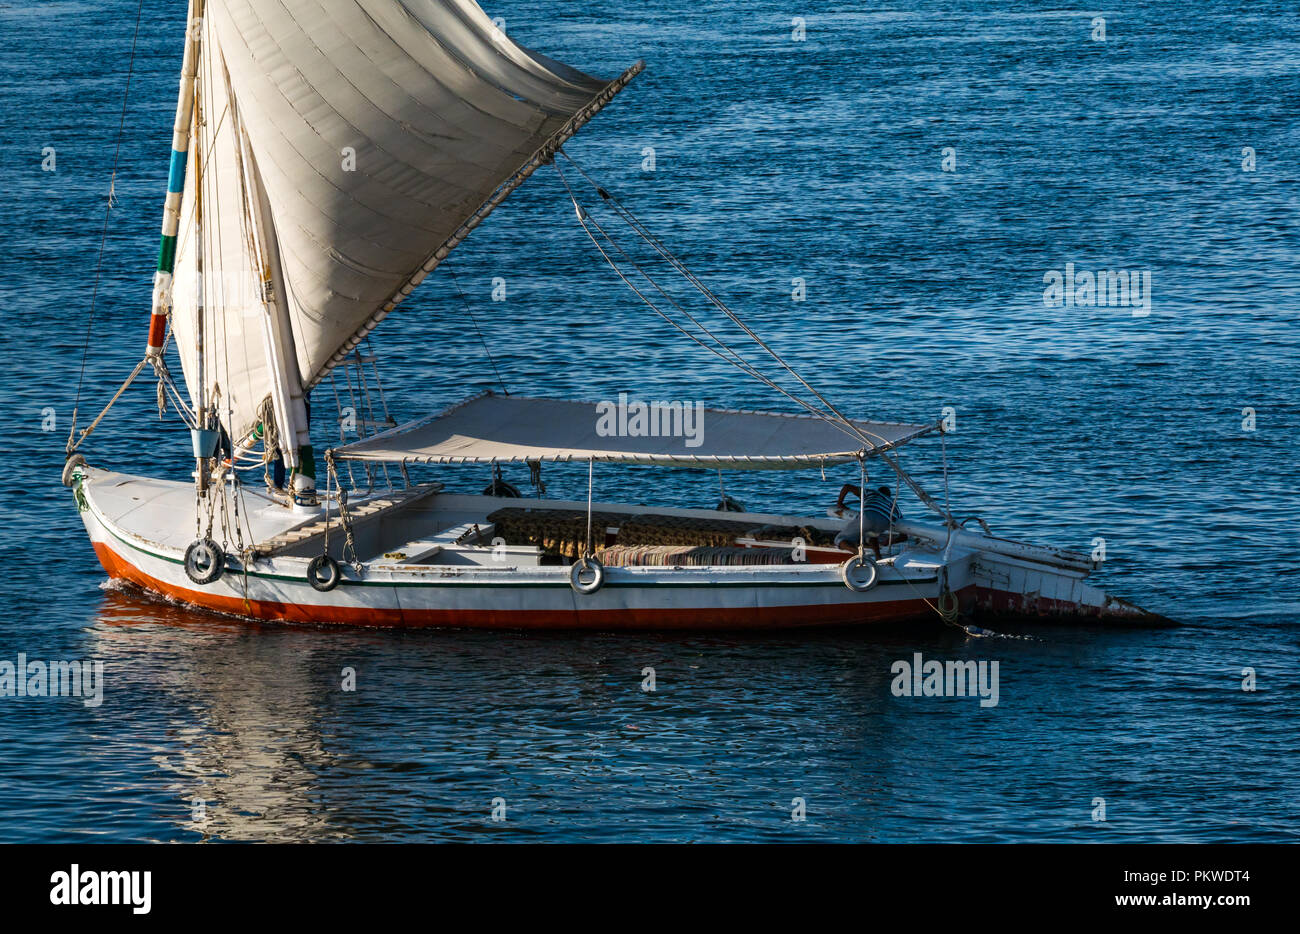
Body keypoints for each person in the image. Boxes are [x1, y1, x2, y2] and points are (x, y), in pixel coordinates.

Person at [833, 482, 903, 559]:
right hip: (884, 523)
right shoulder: (894, 505)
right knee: (871, 535)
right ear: (889, 496)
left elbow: (847, 486)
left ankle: (857, 552)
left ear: (878, 491)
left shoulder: (872, 493)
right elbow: (903, 536)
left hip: (868, 517)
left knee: (839, 539)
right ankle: (878, 556)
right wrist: (889, 542)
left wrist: (840, 503)